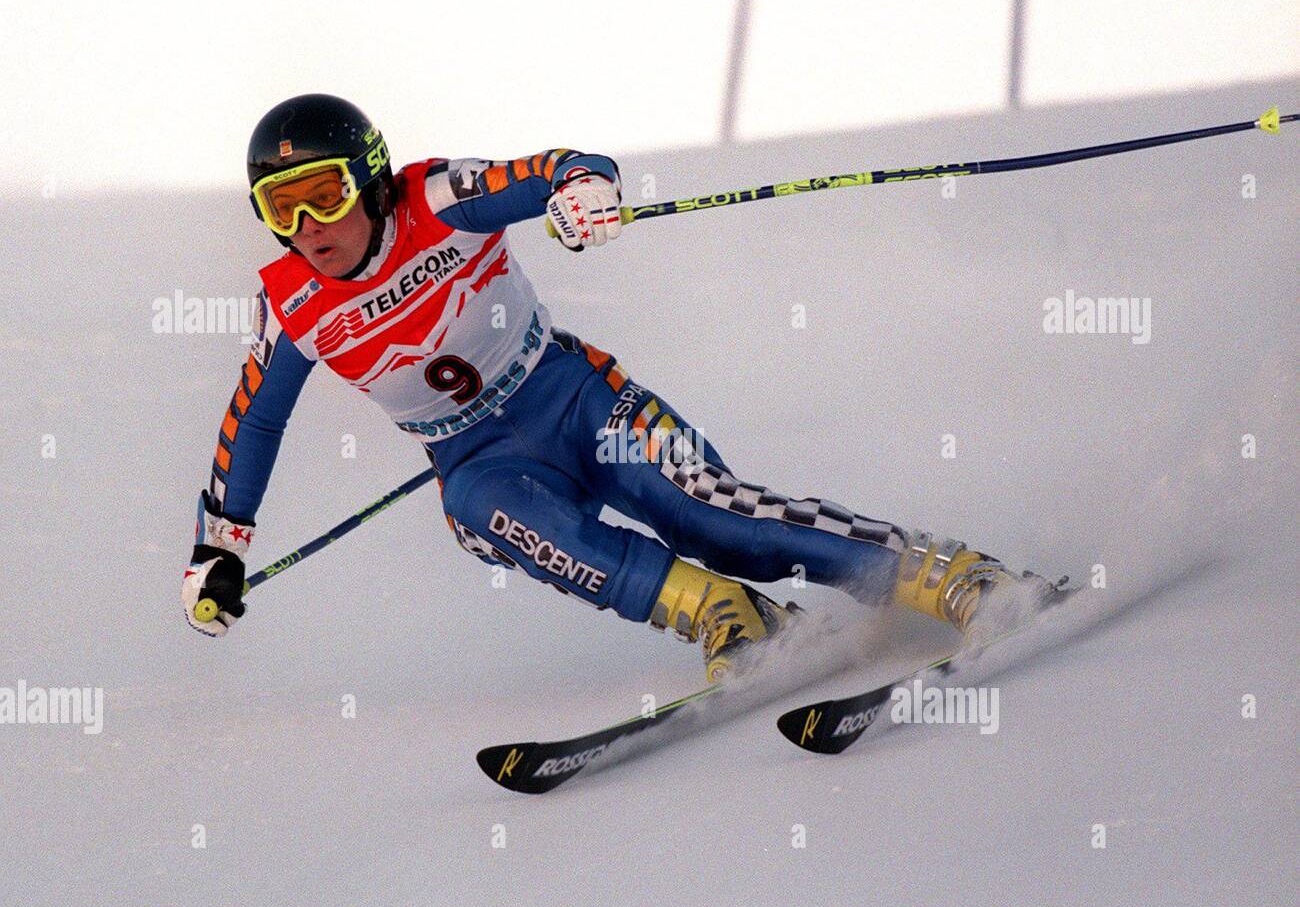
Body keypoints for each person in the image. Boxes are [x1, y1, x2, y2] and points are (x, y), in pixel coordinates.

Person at [183, 93, 1061, 679]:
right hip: (477, 457)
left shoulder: (438, 197)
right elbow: (254, 423)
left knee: (717, 516)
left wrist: (580, 191)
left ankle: (953, 575)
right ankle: (732, 619)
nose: (307, 226)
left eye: (324, 194)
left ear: (370, 177)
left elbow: (559, 166)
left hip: (572, 396)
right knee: (491, 512)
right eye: (278, 207)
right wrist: (218, 549)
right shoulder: (291, 303)